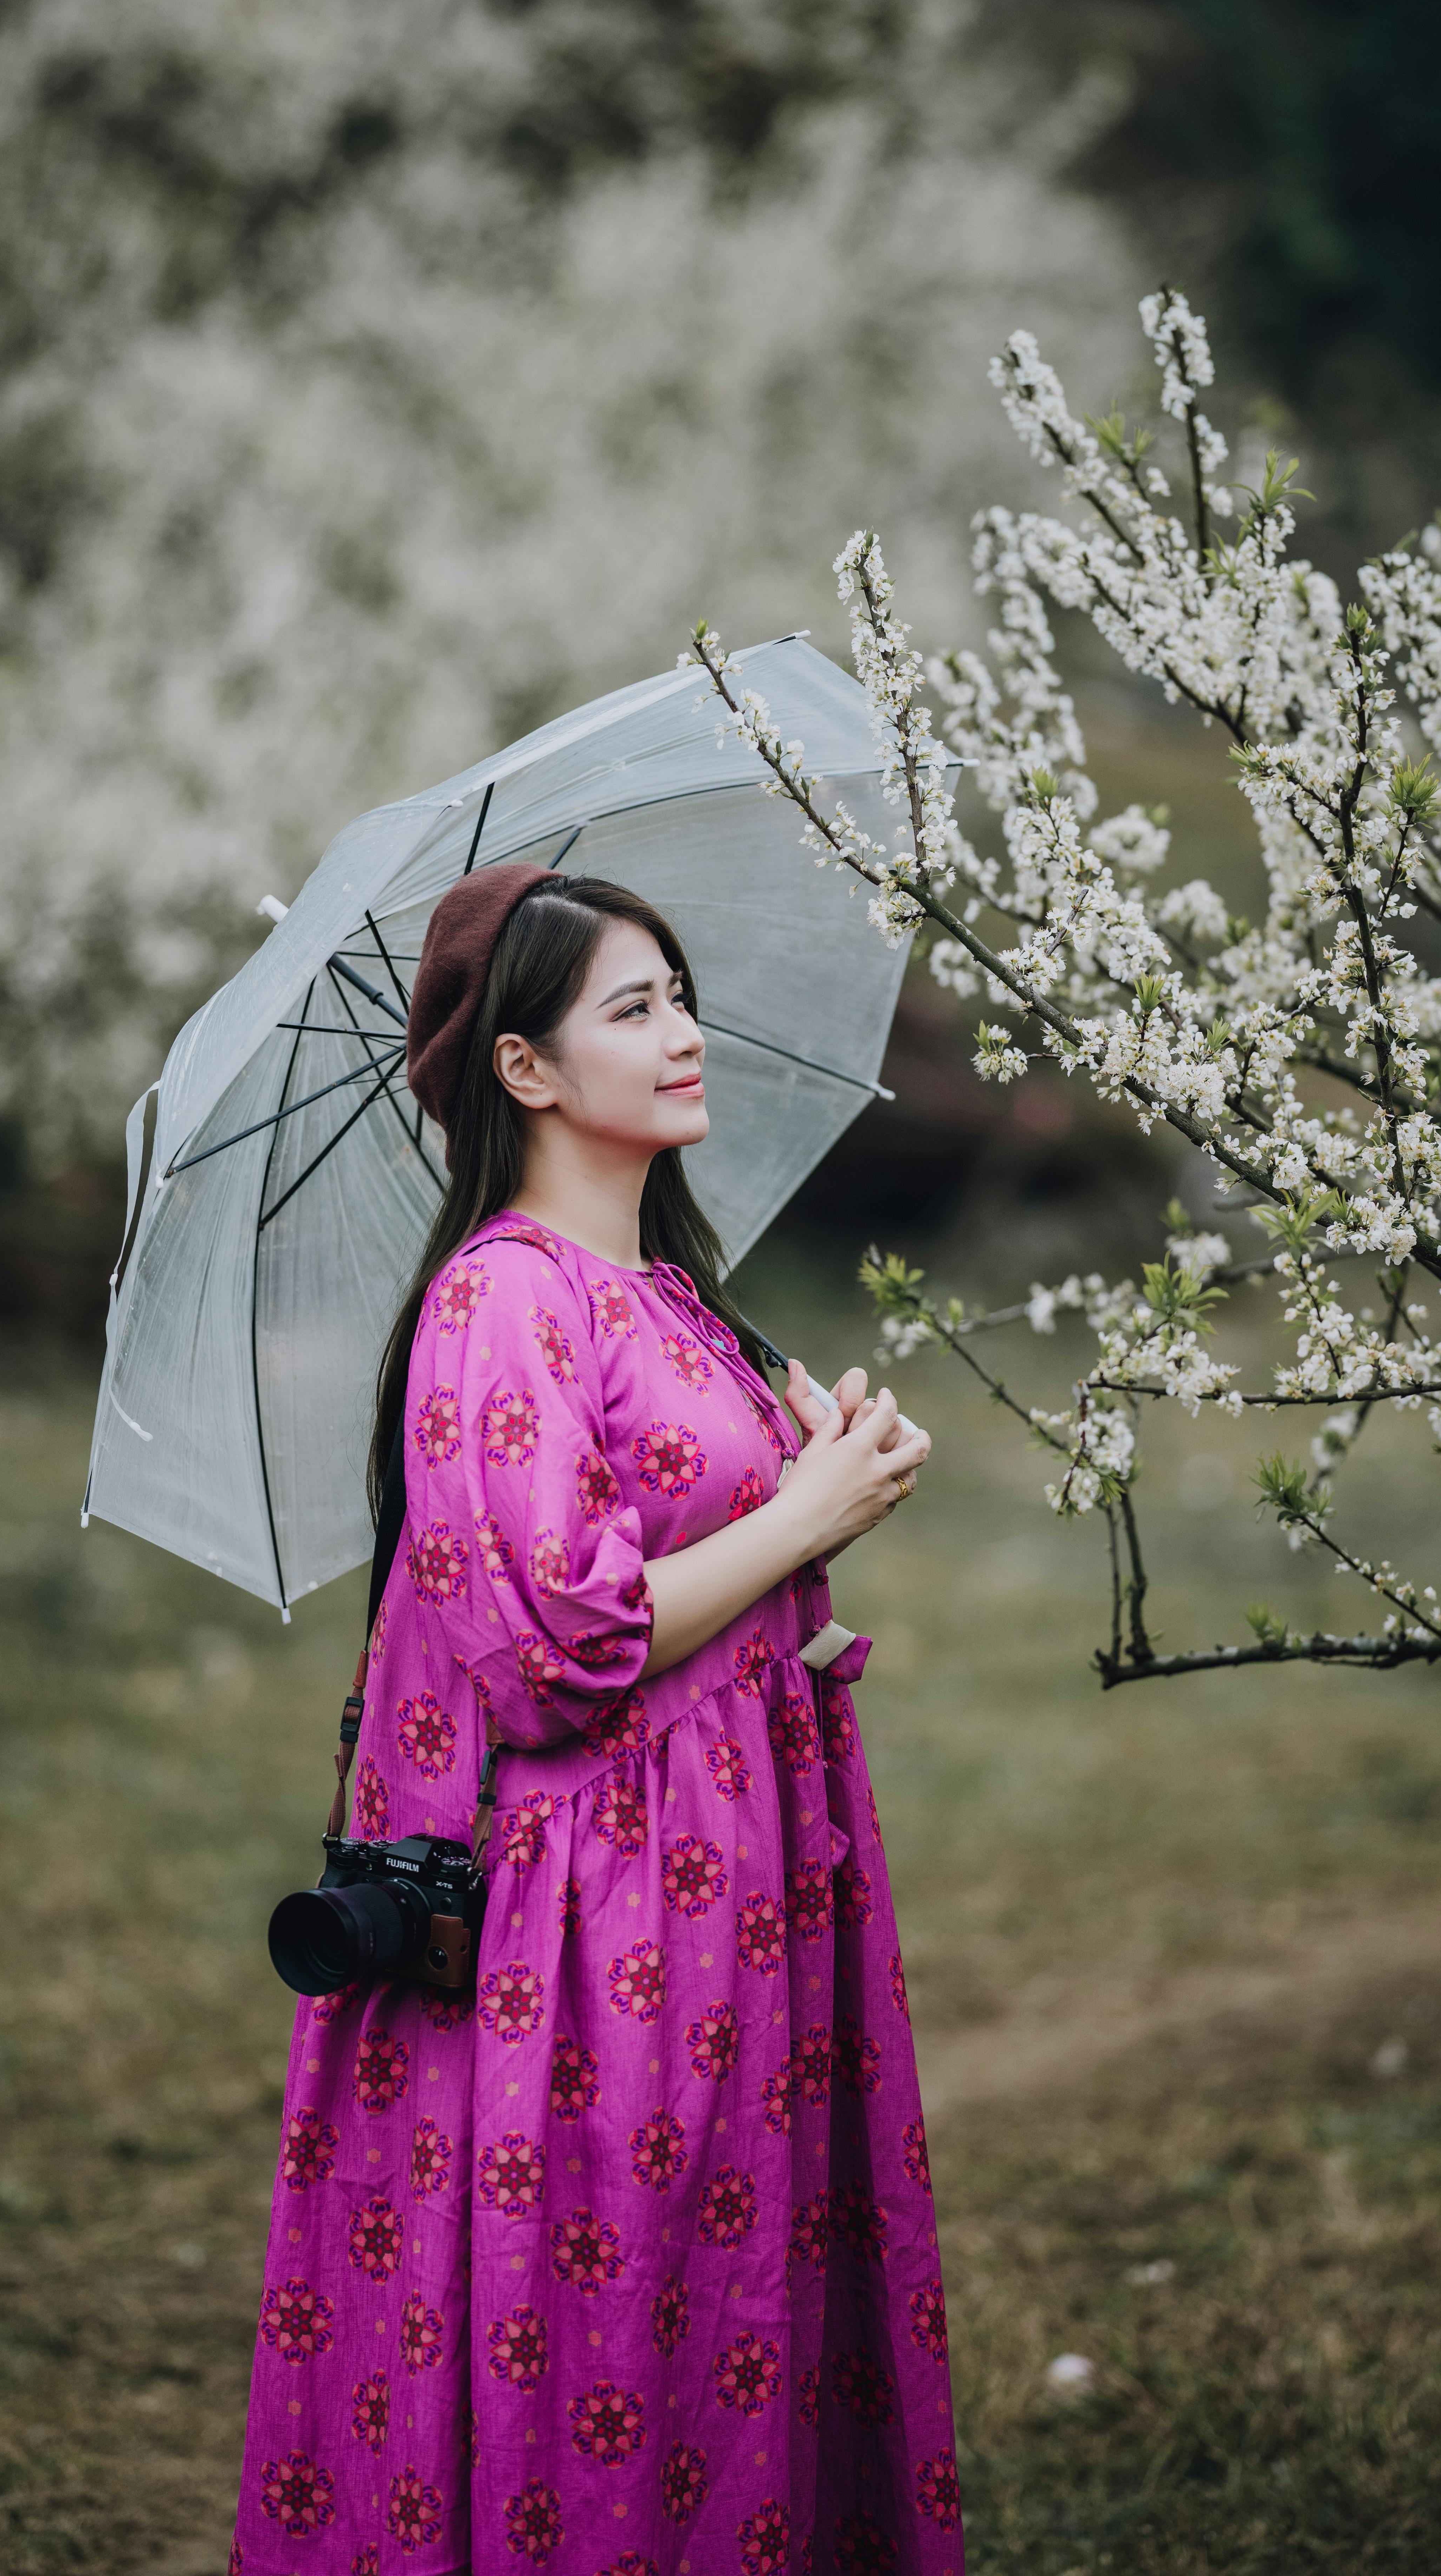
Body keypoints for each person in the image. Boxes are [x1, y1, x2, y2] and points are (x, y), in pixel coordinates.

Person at [231, 864, 961, 2576]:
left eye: (680, 990)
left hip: (735, 1867)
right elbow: (562, 1641)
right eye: (632, 1006)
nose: (686, 1030)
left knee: (737, 2301)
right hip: (596, 1900)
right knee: (622, 2304)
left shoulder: (671, 1288)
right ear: (525, 1069)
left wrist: (824, 1461)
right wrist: (805, 1518)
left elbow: (699, 1533)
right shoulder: (504, 1297)